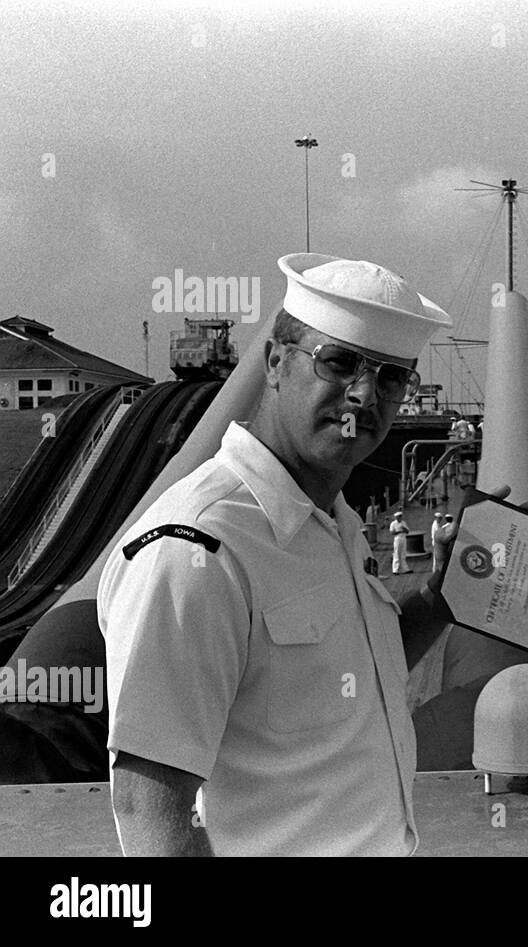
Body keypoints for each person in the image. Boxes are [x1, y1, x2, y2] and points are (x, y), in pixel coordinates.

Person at [98, 253, 451, 855]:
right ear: (276, 362)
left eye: (392, 376)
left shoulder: (332, 525)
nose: (364, 394)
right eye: (339, 362)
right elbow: (149, 809)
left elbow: (353, 674)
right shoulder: (198, 548)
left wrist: (444, 597)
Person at [389, 510, 411, 574]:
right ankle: (395, 570)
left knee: (403, 554)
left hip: (403, 538)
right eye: (398, 517)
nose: (400, 518)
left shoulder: (403, 522)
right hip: (397, 539)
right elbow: (392, 532)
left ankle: (405, 569)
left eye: (400, 516)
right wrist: (399, 531)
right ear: (396, 517)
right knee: (396, 554)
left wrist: (404, 529)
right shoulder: (393, 524)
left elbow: (407, 531)